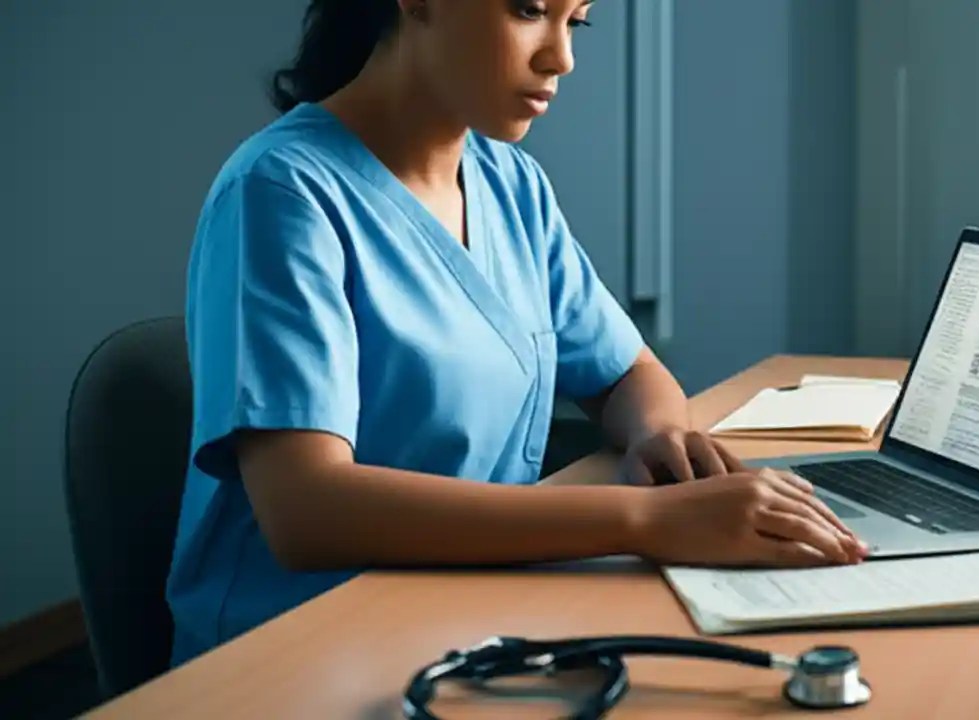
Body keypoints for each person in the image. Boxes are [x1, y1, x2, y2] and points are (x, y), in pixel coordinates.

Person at [166, 0, 866, 666]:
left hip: (472, 613)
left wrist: (659, 438)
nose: (560, 57)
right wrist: (641, 520)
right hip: (296, 650)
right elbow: (305, 511)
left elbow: (627, 371)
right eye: (529, 11)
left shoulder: (511, 183)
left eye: (577, 22)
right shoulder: (281, 192)